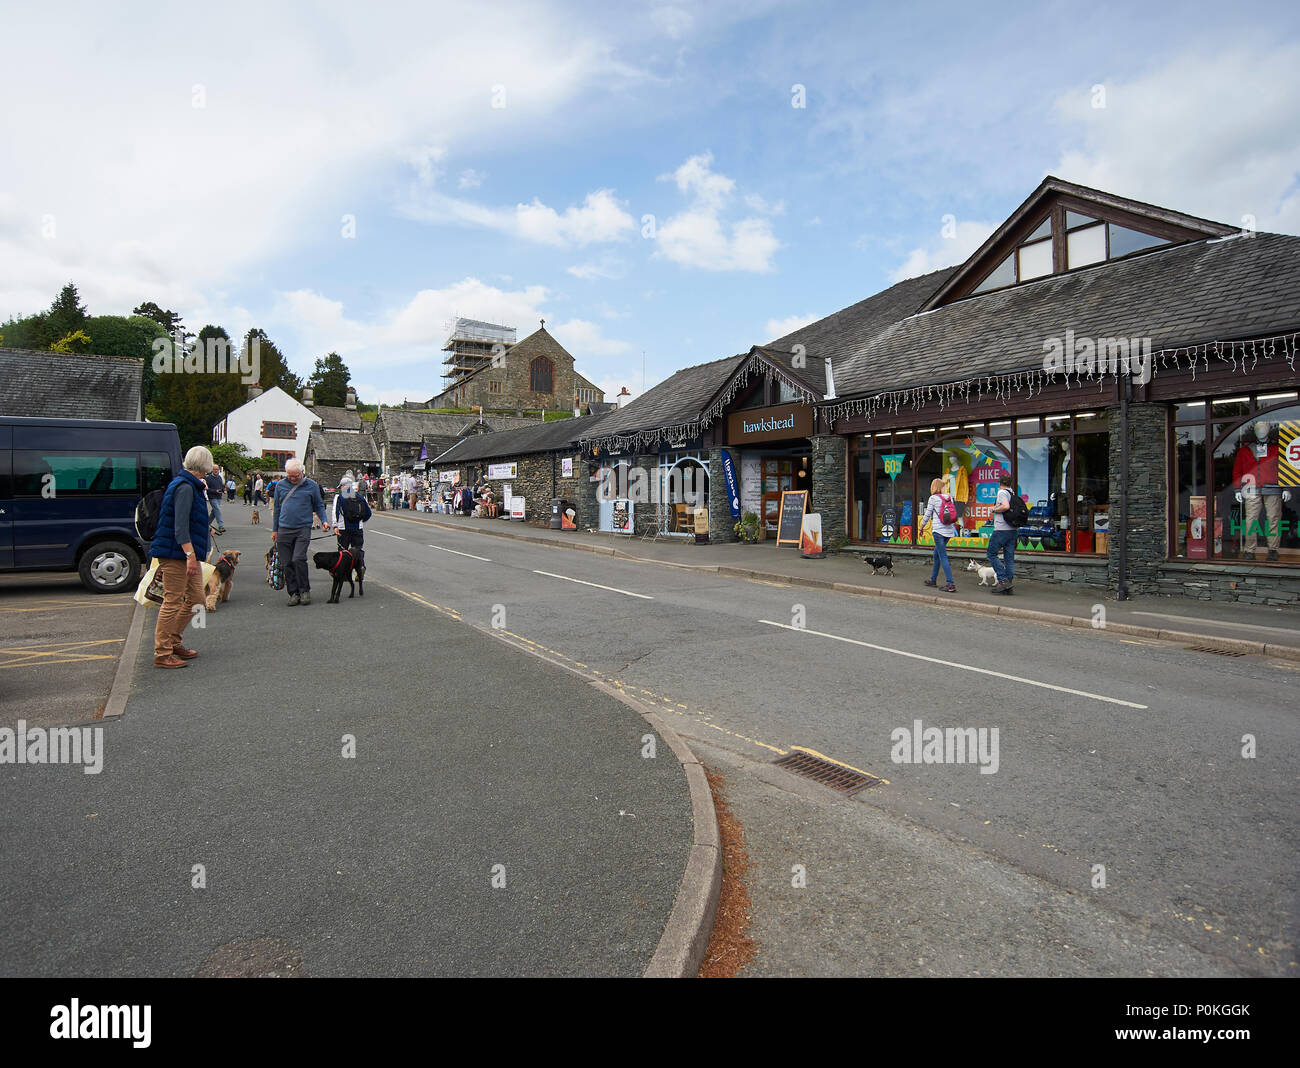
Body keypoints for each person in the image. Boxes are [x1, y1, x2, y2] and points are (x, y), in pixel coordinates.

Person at [149, 446, 215, 668]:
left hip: (184, 553)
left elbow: (189, 520)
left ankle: (173, 641)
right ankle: (162, 652)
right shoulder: (185, 488)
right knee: (172, 601)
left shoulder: (189, 485)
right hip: (177, 553)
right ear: (204, 465)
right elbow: (180, 527)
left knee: (197, 599)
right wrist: (189, 554)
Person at [272, 459, 331, 606]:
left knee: (298, 559)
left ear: (302, 472)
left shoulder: (311, 485)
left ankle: (305, 591)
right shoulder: (280, 485)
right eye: (290, 476)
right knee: (286, 563)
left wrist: (324, 520)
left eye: (295, 476)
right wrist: (275, 529)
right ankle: (293, 593)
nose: (292, 478)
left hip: (302, 528)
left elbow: (319, 505)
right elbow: (277, 509)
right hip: (284, 528)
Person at [921, 477, 958, 593]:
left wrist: (921, 527)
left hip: (938, 532)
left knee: (943, 557)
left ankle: (950, 584)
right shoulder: (949, 498)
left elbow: (927, 514)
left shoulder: (933, 498)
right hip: (948, 531)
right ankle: (933, 579)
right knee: (936, 555)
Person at [987, 469, 1017, 595]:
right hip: (1012, 530)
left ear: (1000, 483)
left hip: (1001, 529)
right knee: (1008, 557)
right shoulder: (1012, 492)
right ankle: (1008, 583)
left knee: (991, 554)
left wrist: (994, 509)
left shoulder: (1002, 493)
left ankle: (1003, 580)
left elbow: (1005, 506)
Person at [331, 475, 372, 560]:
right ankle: (360, 567)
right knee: (357, 550)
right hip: (358, 528)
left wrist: (335, 526)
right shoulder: (360, 496)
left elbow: (335, 512)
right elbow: (368, 513)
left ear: (343, 486)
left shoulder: (339, 497)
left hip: (343, 528)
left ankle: (343, 570)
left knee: (343, 551)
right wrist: (361, 520)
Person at [205, 465, 226, 533]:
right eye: (214, 469)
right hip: (212, 497)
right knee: (217, 509)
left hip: (219, 497)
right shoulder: (208, 478)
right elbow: (207, 489)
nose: (216, 470)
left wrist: (223, 490)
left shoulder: (220, 478)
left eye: (217, 469)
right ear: (212, 470)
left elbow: (221, 486)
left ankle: (206, 524)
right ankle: (221, 526)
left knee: (214, 512)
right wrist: (215, 491)